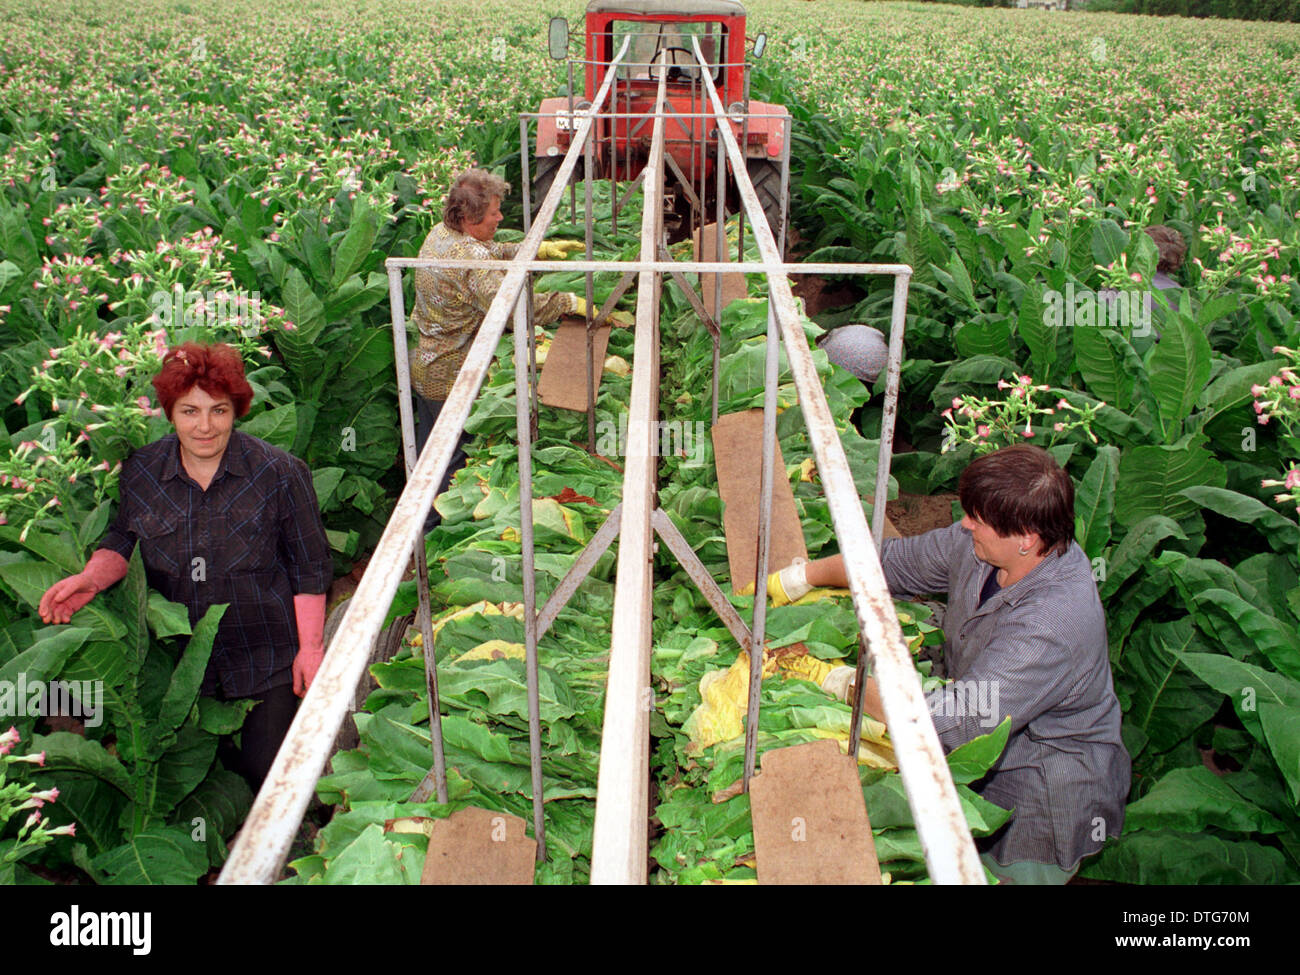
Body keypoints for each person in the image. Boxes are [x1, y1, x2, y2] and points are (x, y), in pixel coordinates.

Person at [765, 445, 1129, 884]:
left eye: (978, 518)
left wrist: (842, 682)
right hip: (987, 757)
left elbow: (951, 720)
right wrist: (802, 576)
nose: (964, 523)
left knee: (998, 873)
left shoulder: (1052, 623)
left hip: (1042, 795)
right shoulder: (987, 546)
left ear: (1027, 537)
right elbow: (896, 564)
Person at [38, 342, 333, 791]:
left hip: (262, 652)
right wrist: (90, 579)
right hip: (179, 662)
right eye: (189, 411)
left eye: (218, 411)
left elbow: (309, 566)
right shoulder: (142, 470)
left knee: (270, 776)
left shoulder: (279, 472)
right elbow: (124, 537)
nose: (205, 426)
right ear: (170, 413)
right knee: (187, 777)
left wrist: (310, 649)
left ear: (237, 410)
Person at [408, 169, 629, 531]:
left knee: (431, 450)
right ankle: (431, 536)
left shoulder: (443, 234)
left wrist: (533, 249)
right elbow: (512, 308)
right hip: (452, 373)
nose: (499, 218)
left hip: (430, 362)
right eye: (493, 212)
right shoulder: (469, 258)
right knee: (449, 458)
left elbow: (487, 250)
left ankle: (424, 524)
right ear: (469, 216)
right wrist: (566, 301)